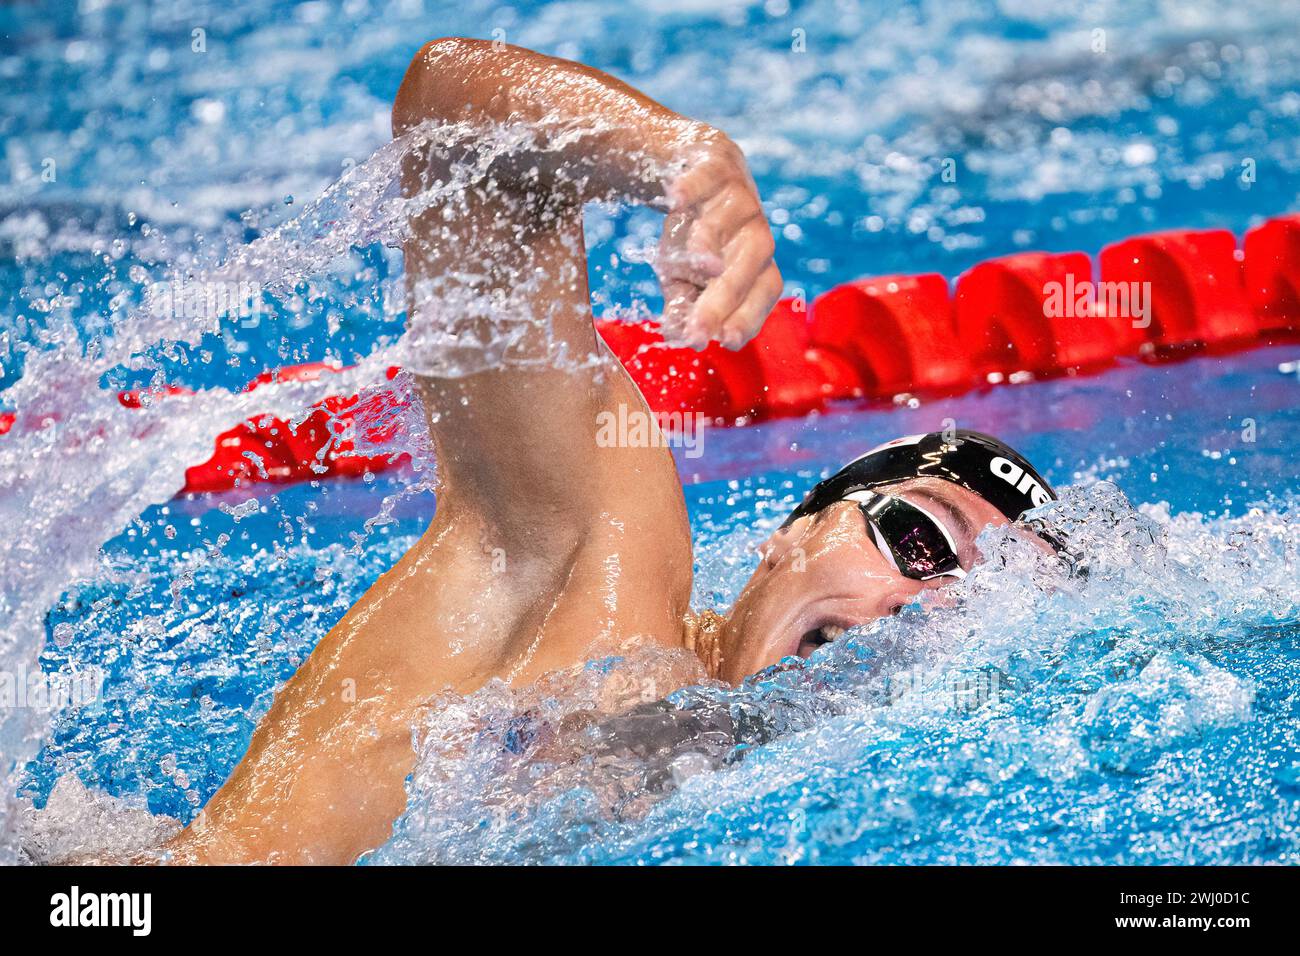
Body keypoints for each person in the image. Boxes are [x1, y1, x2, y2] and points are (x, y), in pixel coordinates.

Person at [161, 38, 1057, 865]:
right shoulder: (598, 570)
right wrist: (686, 159)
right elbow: (453, 116)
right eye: (921, 538)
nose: (922, 607)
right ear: (791, 535)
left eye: (981, 601)